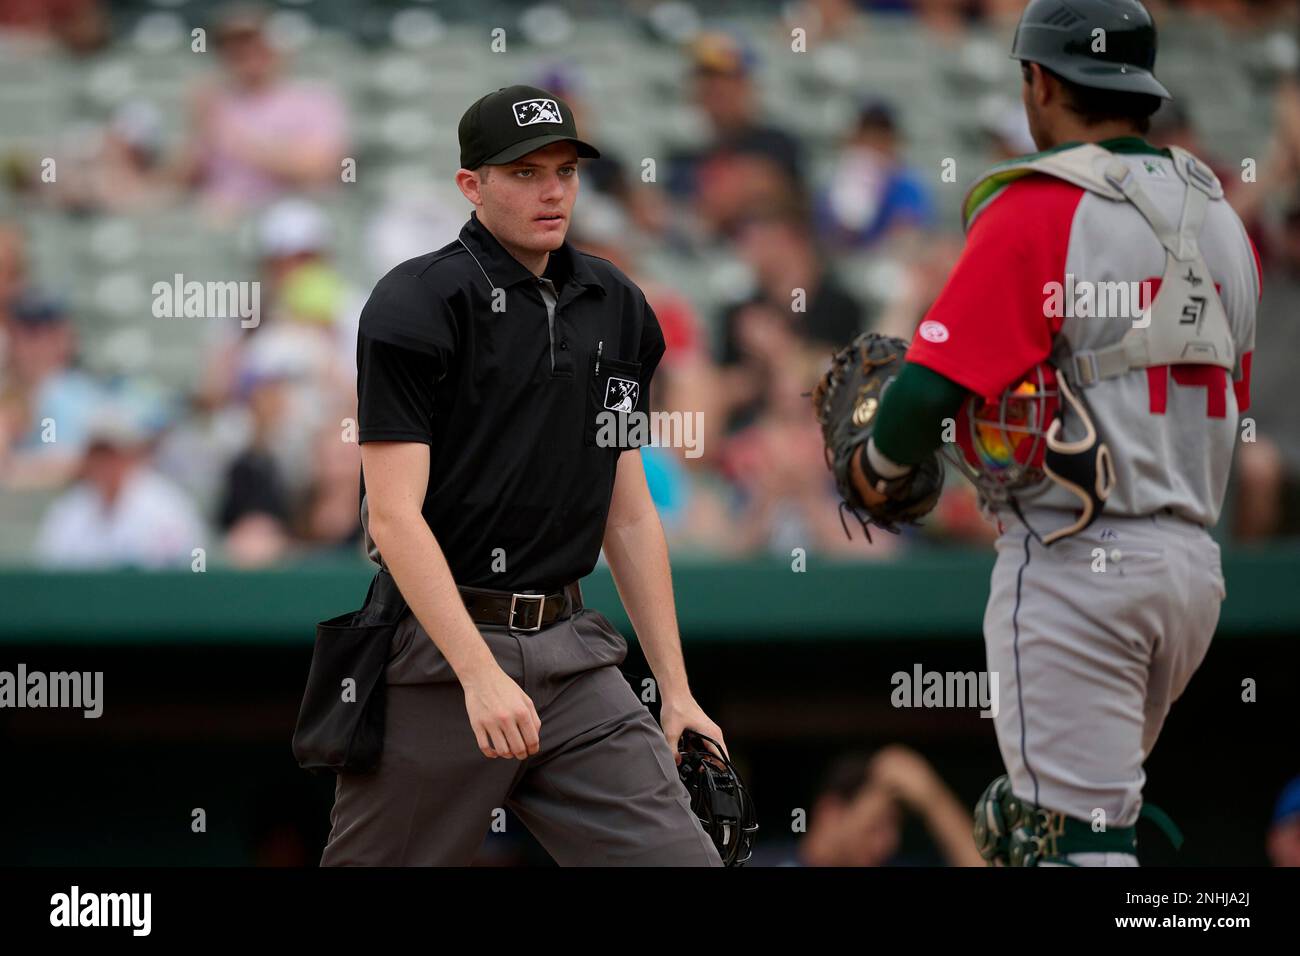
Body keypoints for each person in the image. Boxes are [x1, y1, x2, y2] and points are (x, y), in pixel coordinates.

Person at [840, 0, 1259, 865]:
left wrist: (875, 467)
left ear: (1037, 80)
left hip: (1080, 562)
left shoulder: (1042, 207)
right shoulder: (1223, 221)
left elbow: (922, 395)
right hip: (1191, 570)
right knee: (1063, 826)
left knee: (1065, 842)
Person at [321, 85, 726, 866]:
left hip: (574, 654)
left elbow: (629, 513)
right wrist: (477, 672)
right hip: (439, 656)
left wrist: (675, 689)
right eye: (526, 171)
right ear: (471, 185)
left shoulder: (618, 304)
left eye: (566, 171)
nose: (552, 190)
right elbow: (393, 518)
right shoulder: (417, 301)